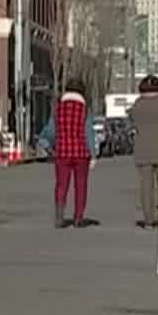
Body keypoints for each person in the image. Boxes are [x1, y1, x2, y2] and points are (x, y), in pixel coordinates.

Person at [39, 81, 98, 228]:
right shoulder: (84, 110)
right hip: (81, 153)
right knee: (81, 185)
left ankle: (59, 215)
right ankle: (78, 217)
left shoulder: (58, 109)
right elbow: (88, 133)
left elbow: (51, 132)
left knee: (61, 185)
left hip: (62, 152)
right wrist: (93, 154)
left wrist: (49, 145)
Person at [127, 75, 158, 229]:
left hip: (143, 151)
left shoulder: (137, 105)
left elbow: (131, 123)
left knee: (146, 187)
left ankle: (148, 220)